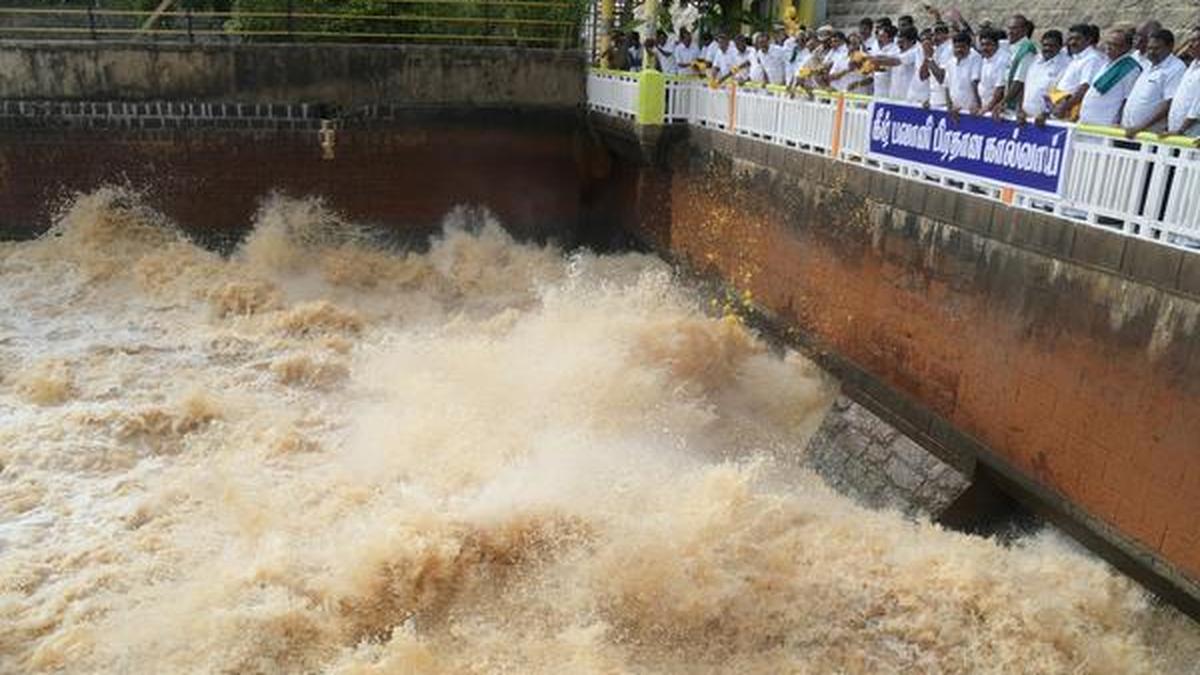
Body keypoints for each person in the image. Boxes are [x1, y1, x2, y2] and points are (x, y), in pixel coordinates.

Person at [1121, 29, 1186, 137]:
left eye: (1156, 48)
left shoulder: (1176, 68)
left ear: (1170, 47)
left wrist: (1141, 127)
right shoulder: (1148, 65)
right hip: (1129, 131)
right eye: (1149, 48)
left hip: (1148, 136)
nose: (1151, 52)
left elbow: (1168, 103)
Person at [1078, 28, 1142, 126]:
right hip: (1087, 120)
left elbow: (1127, 99)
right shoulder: (1106, 63)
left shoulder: (1131, 69)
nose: (1109, 47)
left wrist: (1120, 122)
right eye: (1108, 43)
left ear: (1127, 47)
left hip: (1106, 124)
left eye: (1115, 45)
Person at [1049, 23, 1108, 121]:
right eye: (1070, 39)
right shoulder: (1077, 58)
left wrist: (1064, 107)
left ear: (1088, 40)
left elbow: (1085, 87)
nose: (1072, 42)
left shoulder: (1092, 59)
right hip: (1061, 109)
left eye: (1077, 39)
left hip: (1070, 112)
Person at [1016, 29, 1071, 124]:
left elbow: (1062, 94)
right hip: (1025, 119)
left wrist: (1046, 113)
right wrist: (1020, 109)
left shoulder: (1067, 64)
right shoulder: (1035, 60)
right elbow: (1024, 86)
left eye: (1052, 46)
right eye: (1045, 45)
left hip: (1047, 121)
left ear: (1060, 47)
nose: (1047, 48)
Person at [930, 31, 982, 120]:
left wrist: (978, 105)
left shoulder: (975, 58)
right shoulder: (950, 62)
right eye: (956, 47)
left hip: (972, 111)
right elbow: (946, 86)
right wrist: (950, 107)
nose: (959, 50)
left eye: (962, 47)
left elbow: (975, 83)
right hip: (956, 111)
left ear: (969, 47)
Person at [1162, 26, 1200, 142]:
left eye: (1195, 41)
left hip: (1189, 136)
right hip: (1175, 132)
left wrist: (1180, 131)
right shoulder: (1192, 66)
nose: (1190, 45)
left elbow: (1197, 109)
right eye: (1189, 41)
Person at [997, 14, 1037, 114]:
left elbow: (1019, 81)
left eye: (1014, 28)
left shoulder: (1027, 49)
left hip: (1017, 108)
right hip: (1008, 106)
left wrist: (1003, 103)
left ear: (1025, 30)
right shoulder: (1013, 47)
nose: (1010, 32)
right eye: (1009, 28)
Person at [870, 26, 922, 100]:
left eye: (902, 42)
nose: (899, 45)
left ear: (912, 41)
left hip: (909, 97)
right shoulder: (899, 49)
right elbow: (886, 56)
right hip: (895, 95)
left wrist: (875, 61)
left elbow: (895, 61)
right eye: (898, 41)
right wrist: (869, 57)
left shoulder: (916, 51)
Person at [976, 29, 1011, 115]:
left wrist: (987, 108)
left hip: (996, 111)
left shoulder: (1002, 60)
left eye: (988, 44)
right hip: (985, 108)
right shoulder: (985, 59)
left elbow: (1000, 89)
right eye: (982, 45)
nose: (985, 48)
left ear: (996, 45)